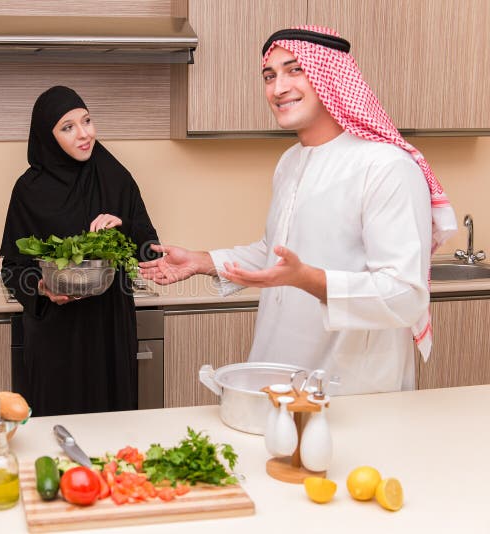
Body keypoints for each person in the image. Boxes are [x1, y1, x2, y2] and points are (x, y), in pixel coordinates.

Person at [139, 26, 457, 395]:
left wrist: (305, 278)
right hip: (280, 369)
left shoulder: (386, 166)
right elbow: (277, 253)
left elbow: (405, 296)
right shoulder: (290, 162)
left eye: (295, 70)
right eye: (269, 76)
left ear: (330, 76)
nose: (278, 88)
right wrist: (202, 260)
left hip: (354, 386)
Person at [0, 86, 159, 416]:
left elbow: (150, 250)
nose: (84, 134)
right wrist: (43, 288)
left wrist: (123, 227)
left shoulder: (116, 178)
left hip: (109, 330)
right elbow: (13, 269)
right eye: (67, 127)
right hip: (56, 334)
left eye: (87, 121)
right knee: (57, 431)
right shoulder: (28, 190)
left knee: (113, 432)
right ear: (48, 136)